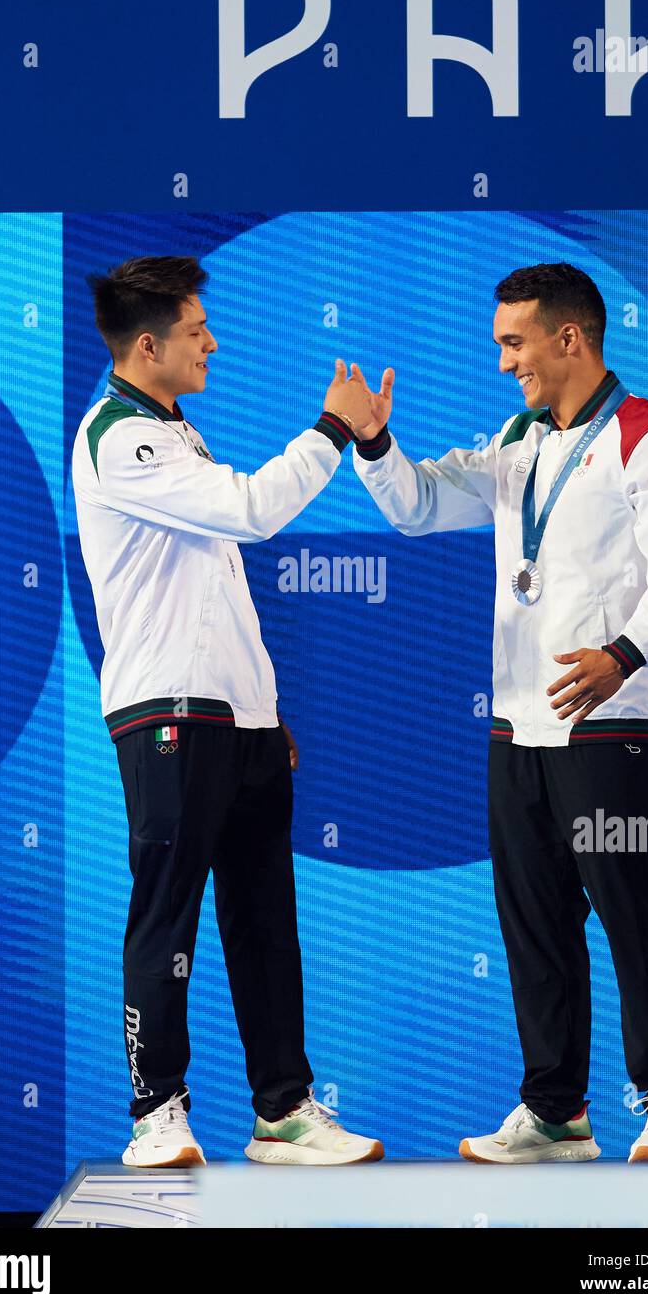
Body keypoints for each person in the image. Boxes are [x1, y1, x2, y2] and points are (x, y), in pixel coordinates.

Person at [352, 262, 648, 1164]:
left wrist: (621, 656)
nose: (504, 362)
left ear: (570, 338)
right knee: (534, 922)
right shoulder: (518, 439)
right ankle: (556, 1110)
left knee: (632, 908)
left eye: (514, 343)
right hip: (520, 728)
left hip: (613, 723)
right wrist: (372, 446)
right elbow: (421, 505)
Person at [71, 255, 384, 1166]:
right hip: (166, 708)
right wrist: (333, 429)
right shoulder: (118, 435)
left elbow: (220, 590)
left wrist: (262, 705)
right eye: (196, 327)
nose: (212, 340)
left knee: (263, 913)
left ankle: (283, 1111)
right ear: (146, 344)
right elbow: (252, 512)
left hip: (233, 716)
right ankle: (155, 1111)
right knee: (165, 911)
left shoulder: (179, 433)